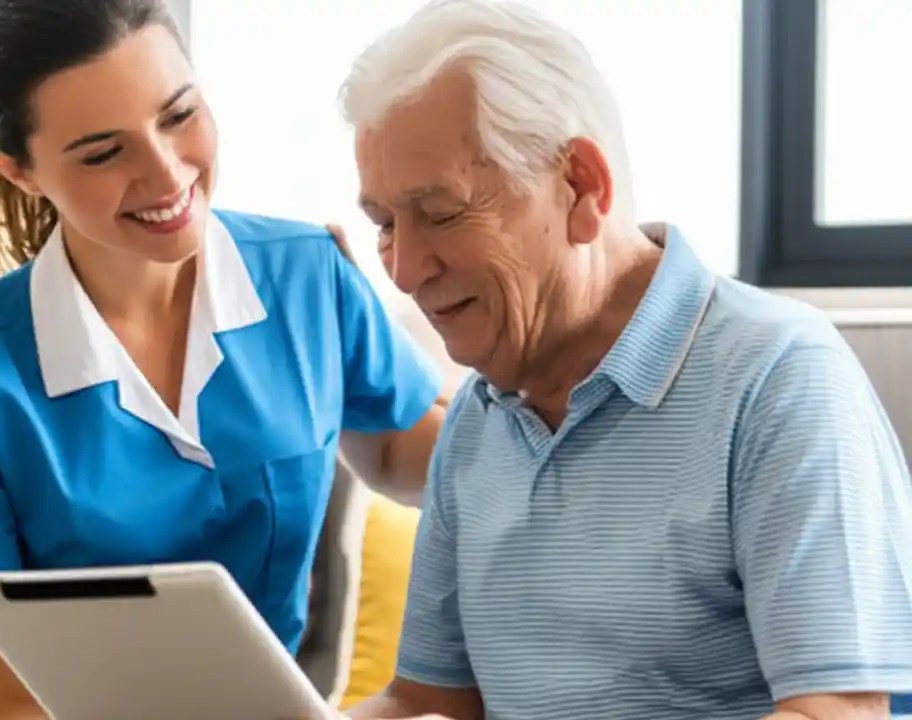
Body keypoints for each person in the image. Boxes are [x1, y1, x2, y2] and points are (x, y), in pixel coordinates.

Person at [332, 1, 912, 719]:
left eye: (442, 213)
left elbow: (836, 713)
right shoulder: (480, 418)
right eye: (385, 224)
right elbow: (430, 703)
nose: (404, 267)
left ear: (581, 186)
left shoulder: (780, 378)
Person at [0, 1, 447, 717]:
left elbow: (398, 440)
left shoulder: (308, 276)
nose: (166, 174)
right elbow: (6, 706)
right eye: (103, 152)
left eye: (178, 115)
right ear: (18, 170)